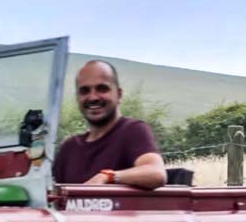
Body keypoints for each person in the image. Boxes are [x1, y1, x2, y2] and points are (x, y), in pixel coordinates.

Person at [52, 60, 167, 189]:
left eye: (102, 89)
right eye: (85, 91)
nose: (93, 97)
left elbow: (156, 173)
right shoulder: (69, 148)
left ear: (119, 94)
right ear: (77, 97)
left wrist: (107, 177)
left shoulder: (132, 131)